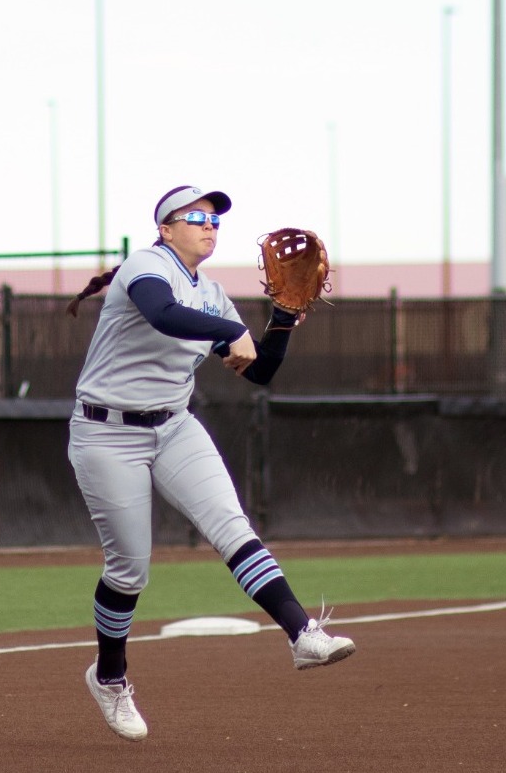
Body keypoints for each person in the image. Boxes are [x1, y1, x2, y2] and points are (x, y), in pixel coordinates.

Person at [65, 184, 355, 740]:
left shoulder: (214, 296)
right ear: (166, 228)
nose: (209, 225)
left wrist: (283, 317)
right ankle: (109, 677)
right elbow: (164, 314)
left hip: (174, 425)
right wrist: (232, 329)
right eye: (195, 216)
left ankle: (303, 635)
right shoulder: (146, 266)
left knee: (232, 527)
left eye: (216, 220)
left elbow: (261, 371)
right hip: (106, 432)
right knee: (130, 568)